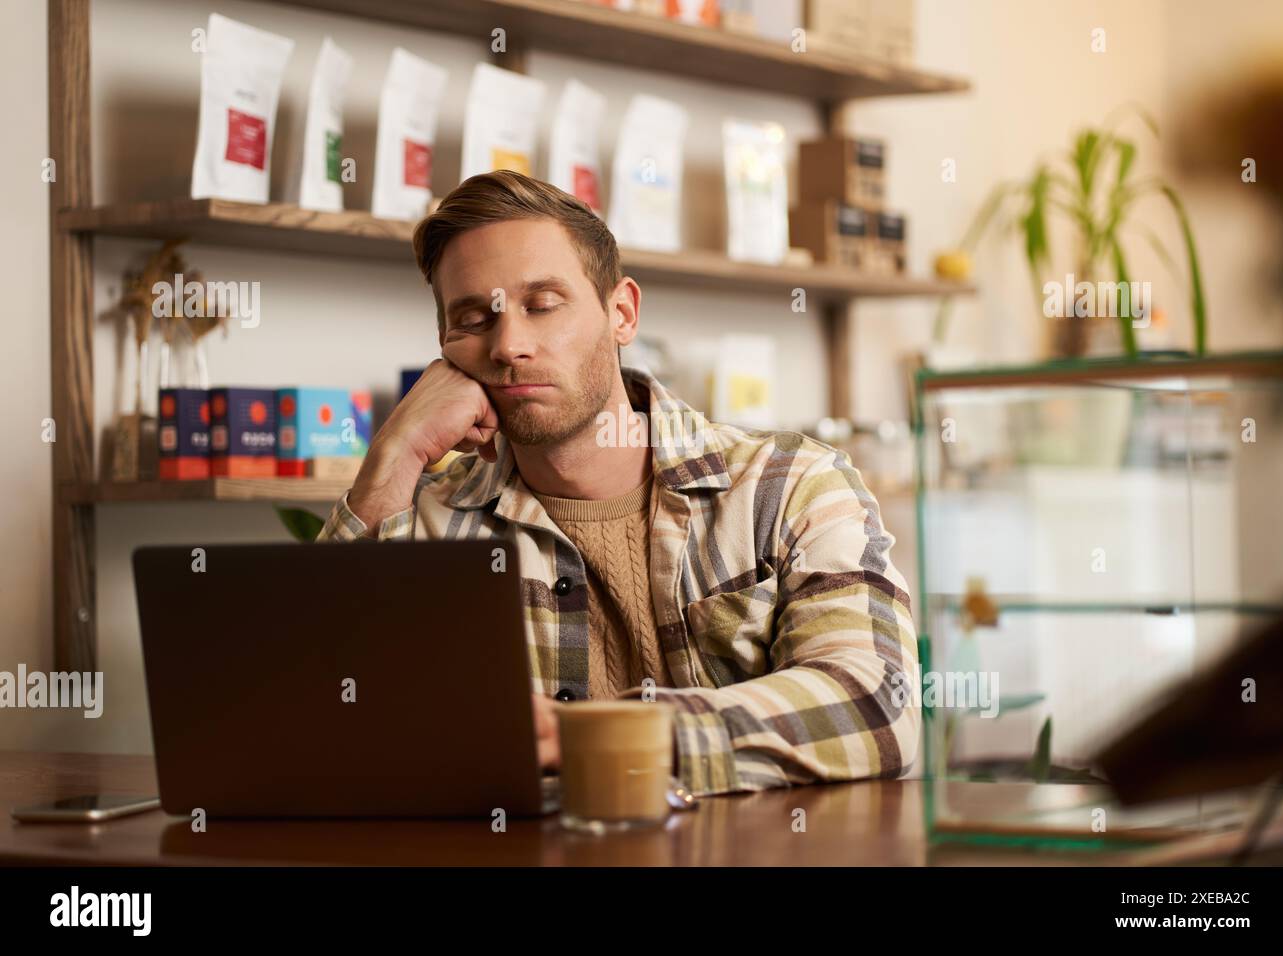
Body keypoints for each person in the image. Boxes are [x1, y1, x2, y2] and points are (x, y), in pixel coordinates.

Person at [318, 169, 921, 797]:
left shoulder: (788, 487)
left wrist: (622, 733)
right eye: (473, 318)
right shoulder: (427, 523)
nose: (509, 345)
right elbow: (311, 724)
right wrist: (392, 455)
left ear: (622, 314)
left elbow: (877, 702)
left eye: (542, 305)